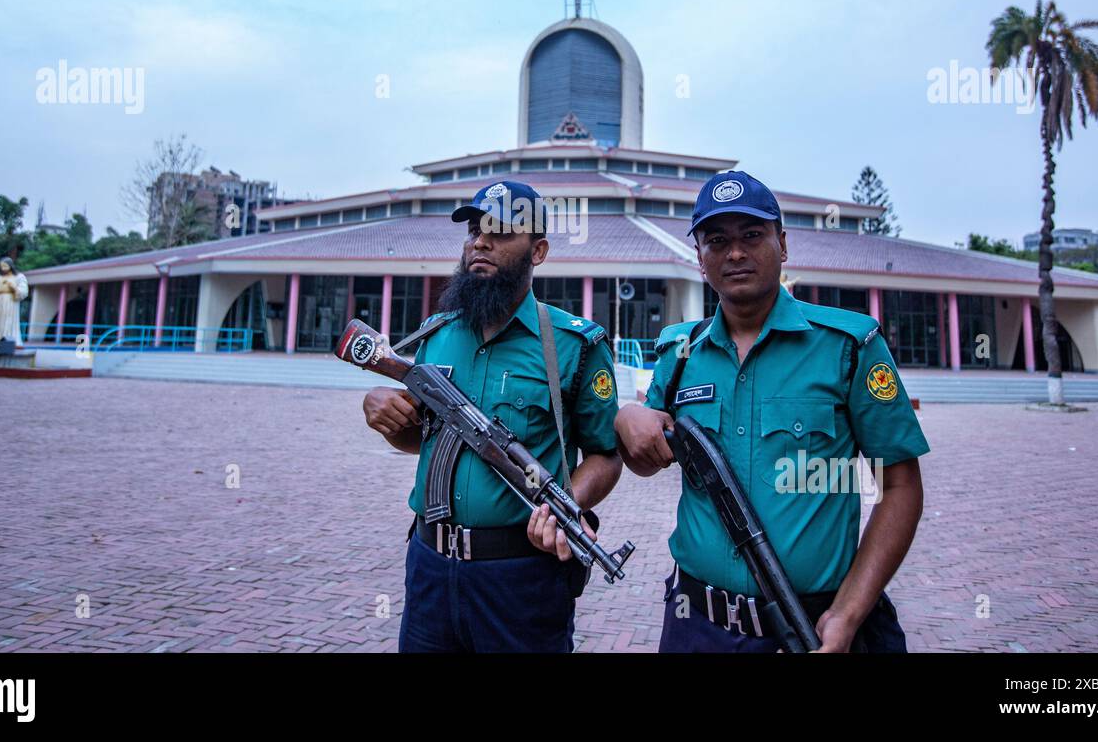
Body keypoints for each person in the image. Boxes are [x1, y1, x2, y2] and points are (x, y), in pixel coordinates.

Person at [615, 170, 930, 653]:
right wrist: (626, 420)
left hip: (814, 627)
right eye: (716, 240)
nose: (735, 253)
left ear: (782, 245)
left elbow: (901, 485)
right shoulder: (679, 353)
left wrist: (847, 614)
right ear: (700, 258)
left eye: (752, 235)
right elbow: (645, 454)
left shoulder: (848, 346)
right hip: (697, 626)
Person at [361, 180, 623, 652]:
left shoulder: (573, 346)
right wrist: (386, 414)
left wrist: (562, 507)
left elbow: (606, 455)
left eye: (501, 231)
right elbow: (424, 439)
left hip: (522, 578)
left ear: (538, 251)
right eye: (475, 231)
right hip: (429, 567)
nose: (480, 242)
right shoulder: (435, 334)